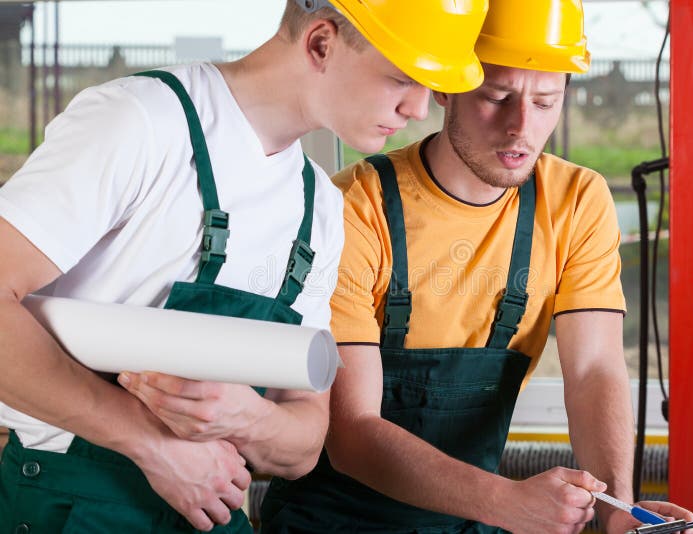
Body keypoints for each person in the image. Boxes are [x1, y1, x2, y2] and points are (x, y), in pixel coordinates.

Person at [0, 0, 489, 532]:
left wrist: (248, 418)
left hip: (209, 511)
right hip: (66, 502)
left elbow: (303, 440)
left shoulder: (318, 206)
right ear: (321, 43)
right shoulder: (142, 122)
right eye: (402, 79)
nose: (419, 110)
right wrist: (150, 442)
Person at [259, 1, 693, 533]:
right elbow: (353, 431)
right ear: (445, 86)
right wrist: (506, 503)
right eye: (497, 96)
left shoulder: (577, 202)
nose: (521, 127)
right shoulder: (354, 208)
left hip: (473, 518)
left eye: (545, 101)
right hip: (330, 521)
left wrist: (617, 510)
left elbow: (593, 371)